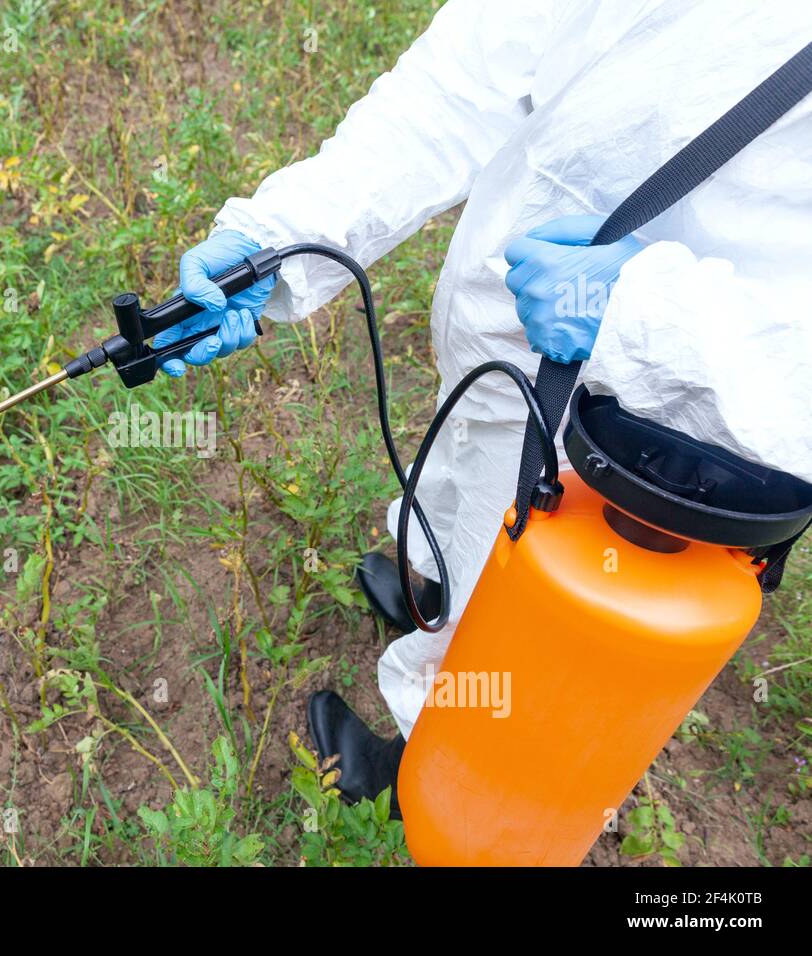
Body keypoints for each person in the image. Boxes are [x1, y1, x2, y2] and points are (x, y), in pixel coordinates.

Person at [158, 0, 812, 812]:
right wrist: (284, 235)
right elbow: (469, 72)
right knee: (460, 461)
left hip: (637, 397)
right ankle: (426, 573)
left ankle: (423, 759)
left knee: (507, 589)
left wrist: (644, 315)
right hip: (507, 312)